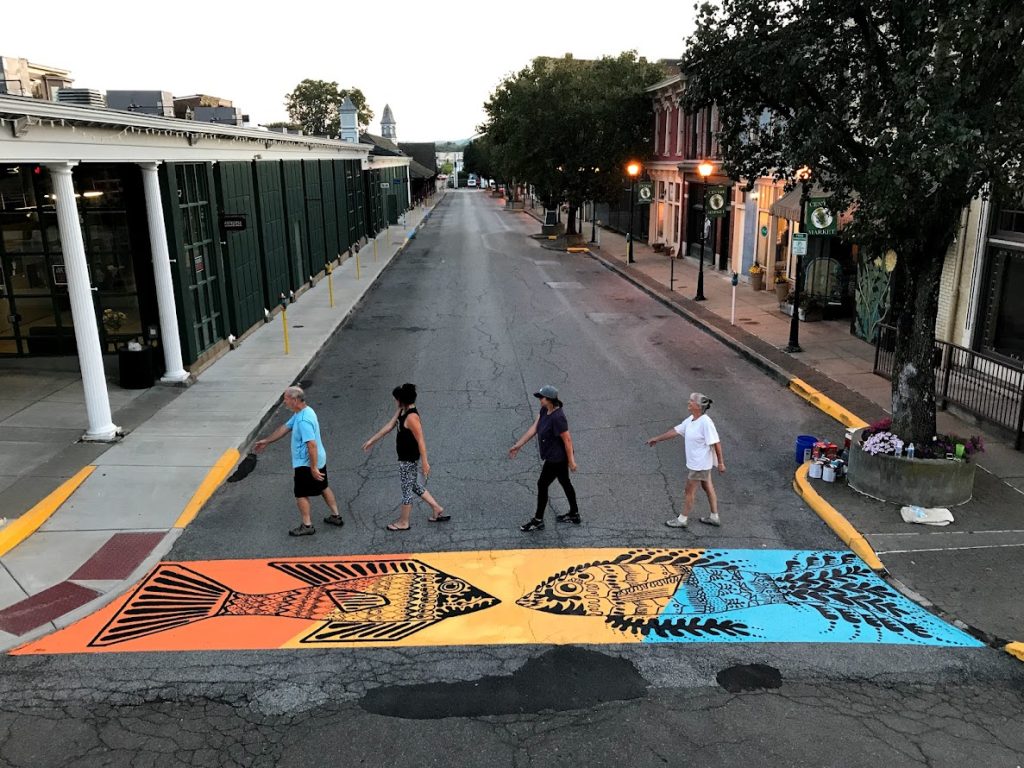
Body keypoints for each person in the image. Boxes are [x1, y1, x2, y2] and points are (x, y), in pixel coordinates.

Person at [254, 386, 343, 536]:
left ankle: (307, 525)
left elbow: (311, 445)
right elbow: (285, 427)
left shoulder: (303, 420)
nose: (284, 402)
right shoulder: (305, 411)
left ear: (295, 400)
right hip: (319, 458)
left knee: (301, 493)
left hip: (306, 463)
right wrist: (267, 441)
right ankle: (336, 516)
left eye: (286, 399)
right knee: (323, 486)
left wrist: (313, 468)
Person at [362, 383, 447, 531]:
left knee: (406, 490)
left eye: (397, 399)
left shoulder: (412, 417)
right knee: (413, 485)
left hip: (408, 459)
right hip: (405, 458)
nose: (395, 402)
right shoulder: (402, 411)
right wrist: (371, 440)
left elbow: (421, 440)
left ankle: (404, 522)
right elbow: (390, 426)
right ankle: (436, 508)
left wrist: (425, 463)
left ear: (402, 400)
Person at [646, 392, 726, 529]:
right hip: (699, 463)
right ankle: (714, 517)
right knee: (707, 486)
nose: (688, 403)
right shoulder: (691, 419)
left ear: (698, 406)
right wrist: (657, 439)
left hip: (699, 464)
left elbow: (716, 443)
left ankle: (682, 519)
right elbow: (675, 431)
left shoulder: (705, 422)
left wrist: (720, 463)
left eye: (691, 401)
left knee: (689, 490)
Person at [509, 384, 579, 532]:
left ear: (549, 399)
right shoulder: (544, 410)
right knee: (565, 482)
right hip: (554, 456)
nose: (539, 399)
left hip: (557, 458)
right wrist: (518, 445)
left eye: (542, 397)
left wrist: (571, 461)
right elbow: (534, 428)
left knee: (542, 484)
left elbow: (567, 440)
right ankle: (574, 514)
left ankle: (538, 520)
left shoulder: (558, 417)